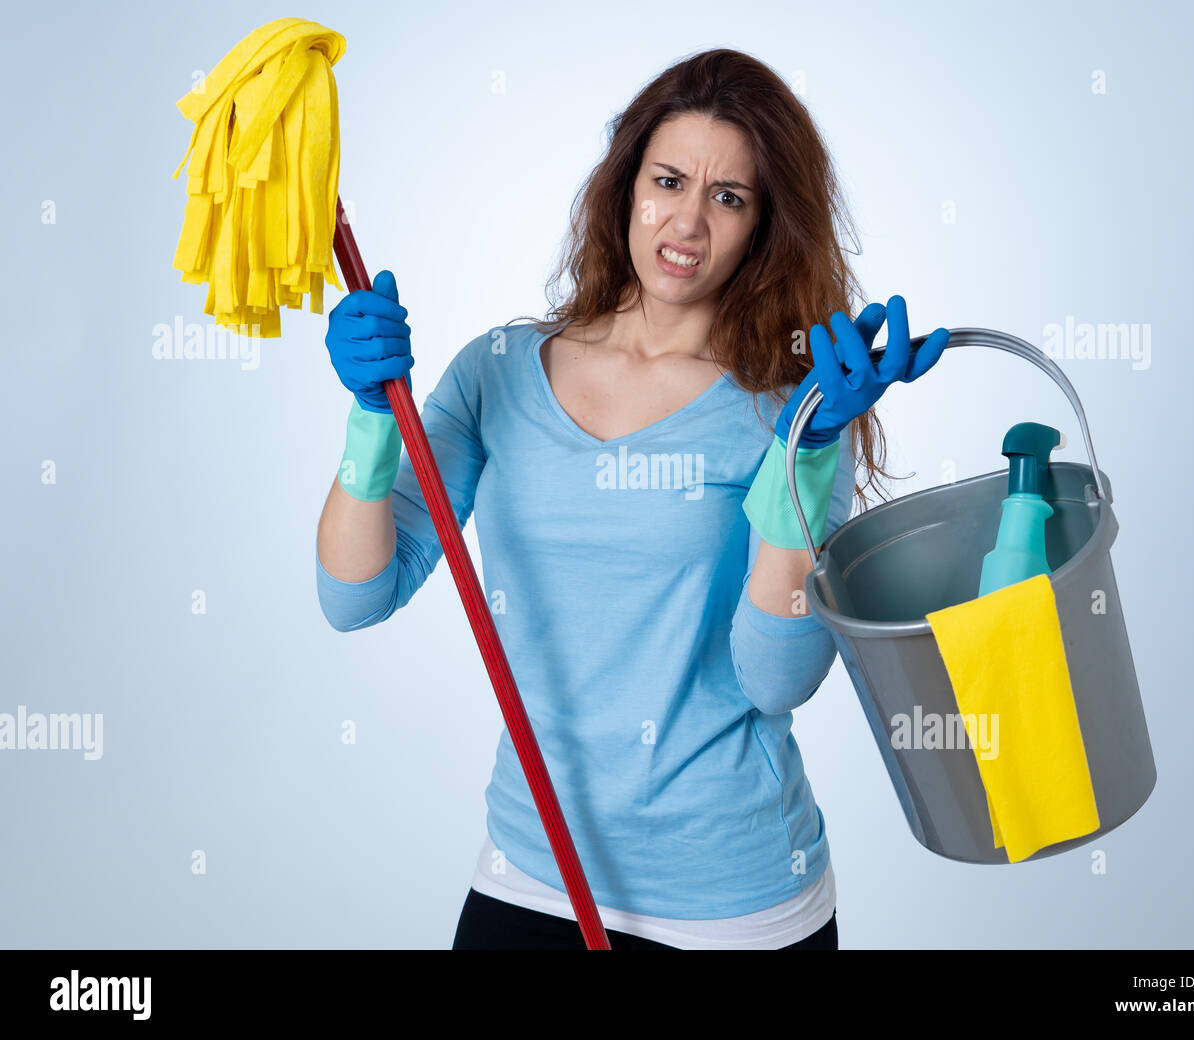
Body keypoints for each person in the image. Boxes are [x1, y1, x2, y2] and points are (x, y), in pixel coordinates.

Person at [315, 48, 948, 950]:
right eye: (668, 180)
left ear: (764, 226)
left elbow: (775, 678)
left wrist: (803, 459)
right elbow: (353, 595)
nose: (687, 221)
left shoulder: (793, 409)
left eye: (729, 197)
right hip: (530, 880)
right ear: (625, 185)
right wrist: (374, 420)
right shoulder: (499, 374)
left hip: (737, 906)